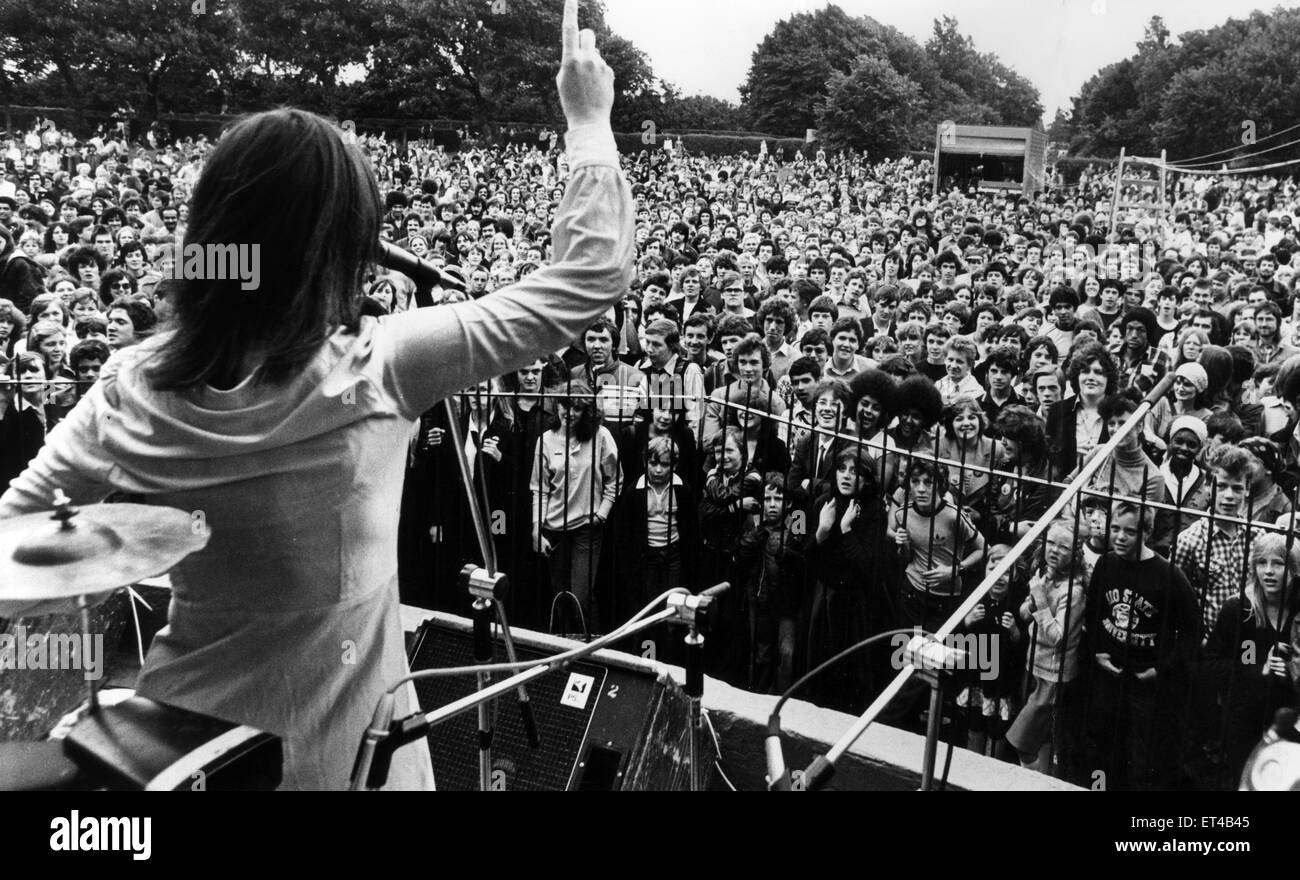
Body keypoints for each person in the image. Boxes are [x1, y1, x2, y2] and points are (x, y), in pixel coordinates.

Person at [0, 3, 627, 791]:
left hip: (181, 752)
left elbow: (14, 550)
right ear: (339, 251)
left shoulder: (127, 391)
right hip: (350, 761)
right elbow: (587, 281)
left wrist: (36, 712)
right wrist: (588, 120)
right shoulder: (379, 368)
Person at [1084, 501, 1201, 791]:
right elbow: (1093, 611)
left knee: (1144, 756)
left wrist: (1161, 669)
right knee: (1103, 746)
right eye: (1114, 529)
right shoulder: (1106, 563)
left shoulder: (1168, 575)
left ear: (1146, 533)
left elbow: (1193, 631)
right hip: (1109, 672)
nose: (1120, 537)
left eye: (1129, 532)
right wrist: (1098, 651)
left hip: (1145, 678)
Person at [1204, 532, 1300, 787]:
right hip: (1246, 719)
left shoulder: (1298, 611)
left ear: (1293, 569)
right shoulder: (1238, 608)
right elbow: (1210, 664)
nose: (1268, 571)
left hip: (1291, 720)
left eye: (1278, 564)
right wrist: (1260, 669)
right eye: (1261, 562)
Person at [530, 380, 622, 638]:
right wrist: (537, 529)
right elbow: (539, 488)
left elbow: (614, 480)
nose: (569, 413)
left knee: (581, 598)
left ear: (587, 412)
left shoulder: (601, 436)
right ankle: (564, 651)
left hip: (586, 530)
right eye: (565, 405)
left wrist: (602, 513)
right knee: (560, 597)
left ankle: (592, 651)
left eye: (578, 408)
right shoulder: (545, 441)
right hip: (553, 529)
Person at [1007, 521, 1088, 777]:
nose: (1054, 551)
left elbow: (1057, 637)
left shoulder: (1073, 591)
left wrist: (1040, 599)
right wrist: (1033, 599)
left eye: (1063, 547)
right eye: (1051, 543)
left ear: (1075, 553)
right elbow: (1024, 614)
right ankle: (1040, 779)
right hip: (1033, 666)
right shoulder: (1045, 574)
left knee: (1022, 742)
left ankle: (1032, 782)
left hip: (1053, 675)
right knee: (1039, 740)